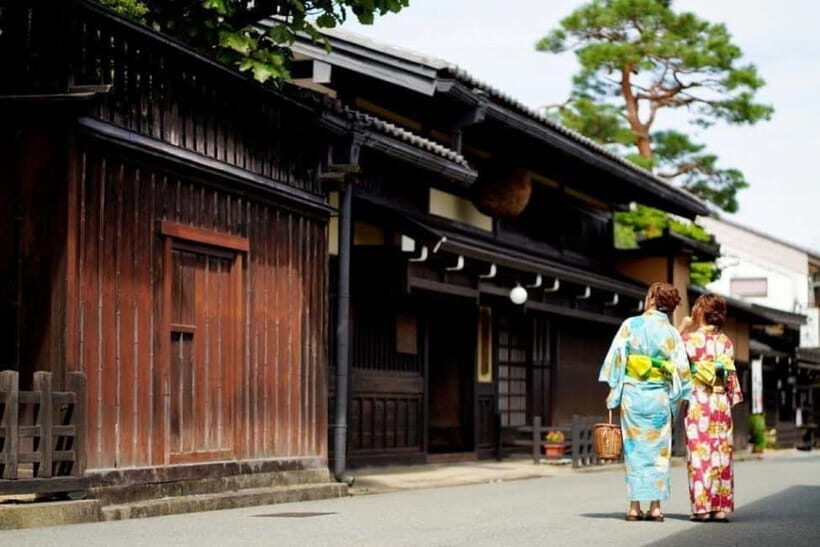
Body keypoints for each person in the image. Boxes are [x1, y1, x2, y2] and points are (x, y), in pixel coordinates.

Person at [599, 282, 692, 522]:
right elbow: (682, 370)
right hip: (659, 396)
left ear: (651, 298)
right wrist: (681, 398)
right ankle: (655, 507)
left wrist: (614, 389)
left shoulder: (631, 325)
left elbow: (617, 358)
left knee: (634, 451)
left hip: (633, 395)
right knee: (658, 453)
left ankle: (633, 507)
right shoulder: (671, 332)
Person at [678, 293, 743, 523]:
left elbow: (670, 355)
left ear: (700, 312)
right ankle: (721, 507)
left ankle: (702, 508)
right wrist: (731, 395)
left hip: (699, 400)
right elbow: (731, 374)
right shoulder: (726, 341)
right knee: (721, 453)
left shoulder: (689, 340)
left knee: (698, 454)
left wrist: (682, 326)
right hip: (720, 400)